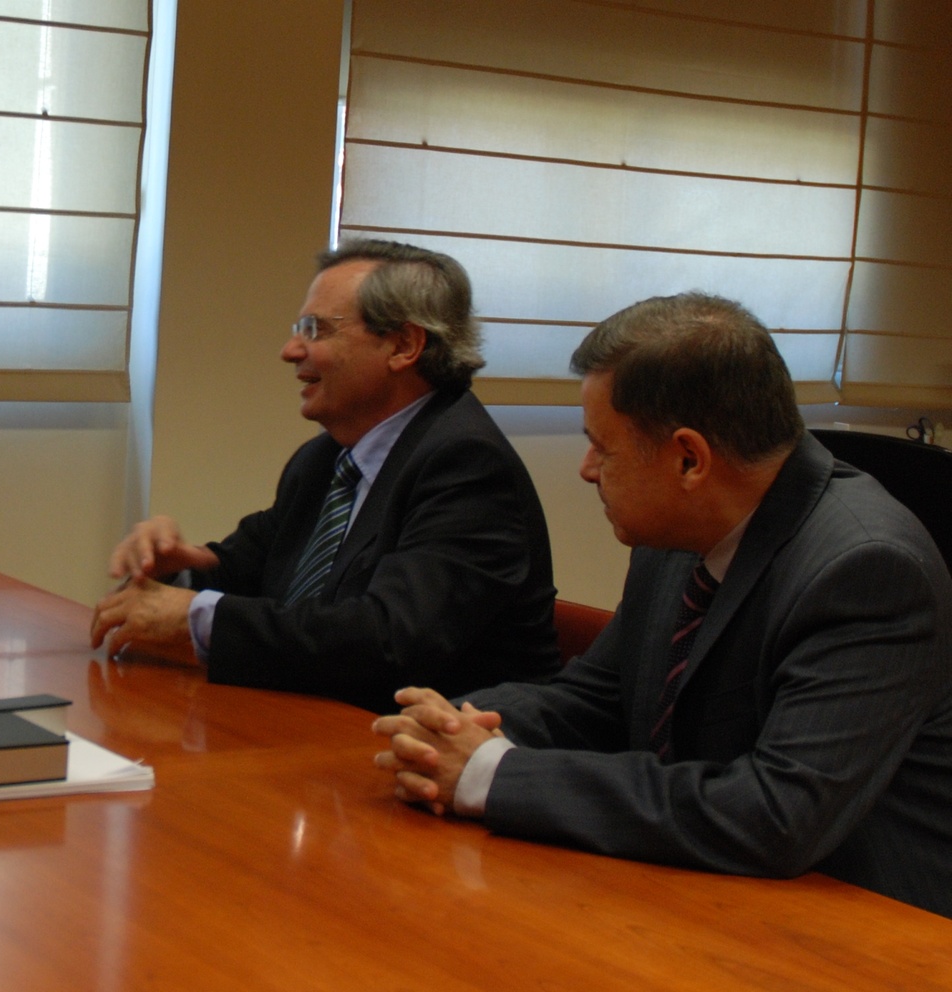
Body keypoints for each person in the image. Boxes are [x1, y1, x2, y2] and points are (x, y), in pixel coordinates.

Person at [372, 292, 952, 918]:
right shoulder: (677, 533)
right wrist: (446, 731)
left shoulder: (866, 569)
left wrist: (492, 776)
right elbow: (597, 700)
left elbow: (777, 813)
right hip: (708, 885)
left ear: (689, 459)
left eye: (603, 447)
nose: (587, 469)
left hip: (864, 919)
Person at [90, 240, 559, 712]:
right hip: (311, 721)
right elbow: (247, 574)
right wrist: (175, 570)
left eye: (315, 329)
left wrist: (193, 617)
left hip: (421, 739)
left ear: (403, 345)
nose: (290, 350)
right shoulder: (325, 459)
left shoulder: (467, 465)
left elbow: (389, 640)